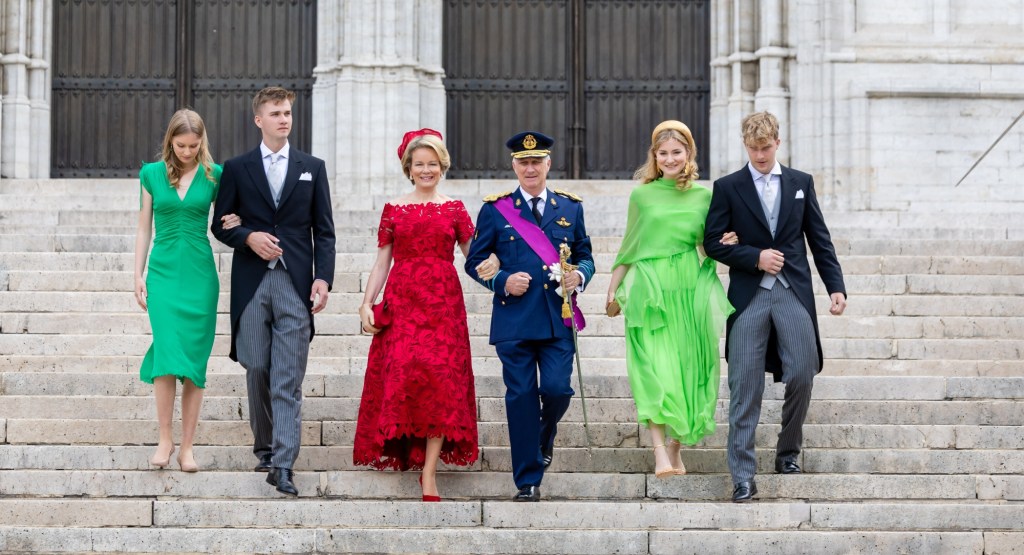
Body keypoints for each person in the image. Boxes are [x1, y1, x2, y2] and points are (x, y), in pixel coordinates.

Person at [703, 111, 847, 503]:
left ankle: (788, 451)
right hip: (749, 295)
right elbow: (713, 242)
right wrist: (754, 257)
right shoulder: (728, 187)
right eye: (753, 148)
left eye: (766, 148)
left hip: (792, 291)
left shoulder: (801, 183)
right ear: (744, 145)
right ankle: (743, 475)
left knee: (803, 370)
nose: (760, 155)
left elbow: (819, 238)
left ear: (777, 143)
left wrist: (836, 286)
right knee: (744, 385)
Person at [353, 129, 500, 502]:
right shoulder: (394, 209)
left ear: (442, 166)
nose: (426, 170)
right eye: (419, 164)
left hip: (443, 304)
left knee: (440, 384)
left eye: (432, 164)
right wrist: (366, 302)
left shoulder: (453, 209)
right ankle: (408, 453)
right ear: (409, 167)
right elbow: (382, 261)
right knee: (404, 376)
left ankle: (430, 471)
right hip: (403, 301)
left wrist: (497, 270)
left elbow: (475, 256)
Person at [211, 86, 336, 497]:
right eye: (276, 113)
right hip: (252, 284)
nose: (284, 119)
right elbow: (220, 226)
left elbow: (325, 232)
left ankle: (283, 464)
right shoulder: (237, 167)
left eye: (287, 113)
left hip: (295, 283)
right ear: (258, 119)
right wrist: (248, 237)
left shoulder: (312, 167)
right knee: (257, 368)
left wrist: (323, 278)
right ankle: (264, 444)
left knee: (286, 377)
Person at [464, 131, 595, 502]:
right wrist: (503, 280)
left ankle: (543, 437)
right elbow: (474, 262)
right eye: (523, 162)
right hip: (515, 320)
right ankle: (528, 479)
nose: (530, 167)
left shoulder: (569, 208)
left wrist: (579, 275)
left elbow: (586, 255)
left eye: (537, 161)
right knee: (520, 396)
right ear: (514, 166)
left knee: (556, 389)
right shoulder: (496, 209)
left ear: (548, 164)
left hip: (557, 317)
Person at [605, 120, 735, 479]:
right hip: (650, 287)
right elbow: (630, 244)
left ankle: (676, 450)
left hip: (689, 286)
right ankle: (660, 453)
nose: (670, 158)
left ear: (689, 153)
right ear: (655, 157)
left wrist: (729, 242)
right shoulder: (642, 195)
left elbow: (708, 243)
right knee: (654, 370)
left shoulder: (704, 196)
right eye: (663, 153)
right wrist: (613, 286)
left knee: (690, 368)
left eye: (676, 152)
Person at [134, 109, 239, 472]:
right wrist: (137, 274)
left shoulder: (215, 175)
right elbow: (144, 229)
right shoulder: (150, 174)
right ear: (170, 141)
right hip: (162, 273)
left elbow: (228, 218)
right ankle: (165, 439)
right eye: (181, 145)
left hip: (199, 275)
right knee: (165, 355)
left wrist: (237, 220)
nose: (188, 152)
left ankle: (188, 447)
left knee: (194, 362)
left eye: (194, 146)